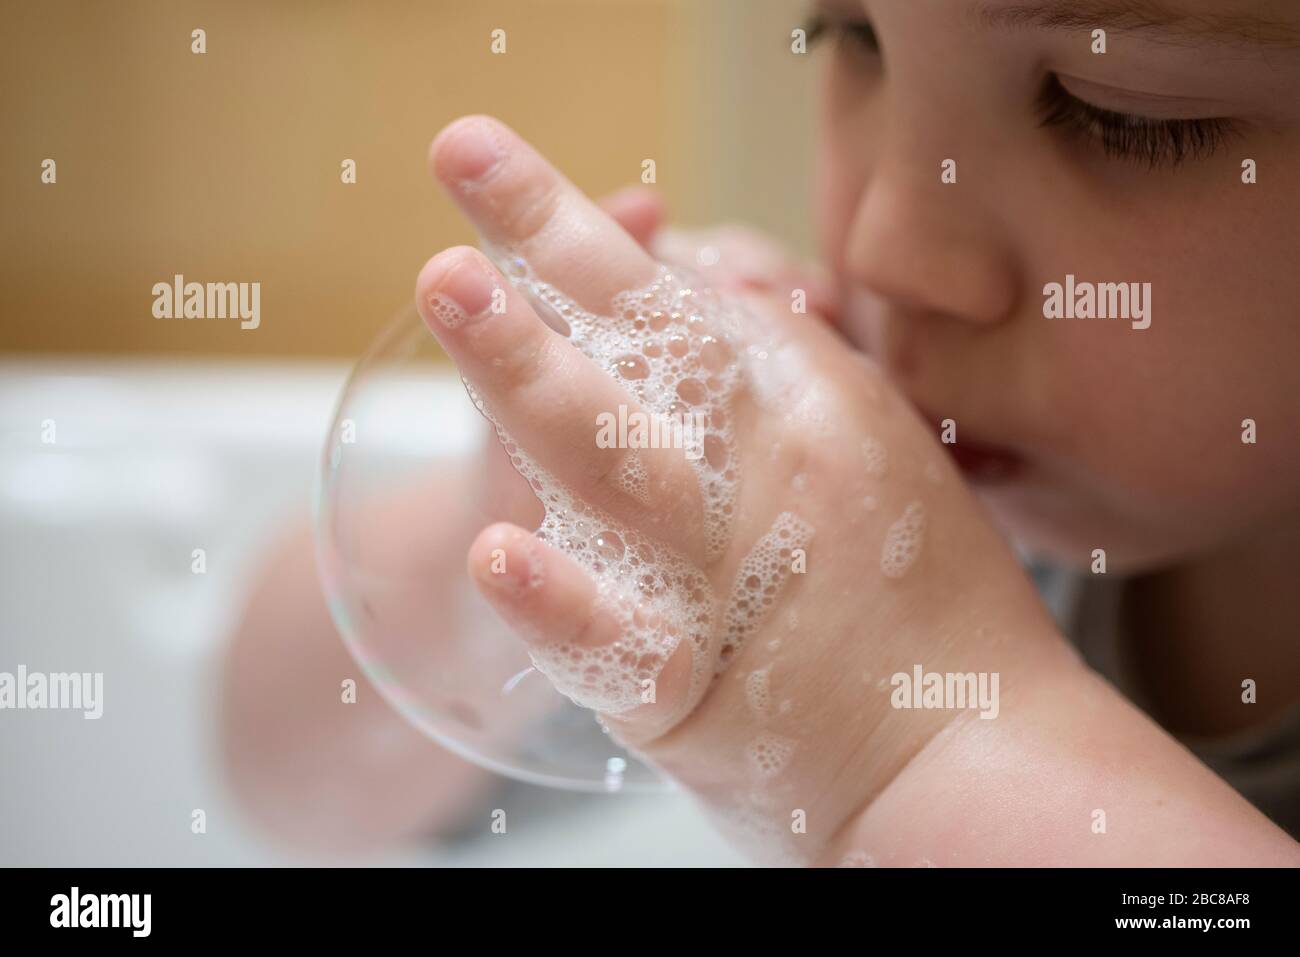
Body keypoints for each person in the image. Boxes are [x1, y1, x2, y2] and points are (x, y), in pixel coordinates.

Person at [223, 0, 1300, 864]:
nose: (886, 248)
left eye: (1124, 114)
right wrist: (496, 570)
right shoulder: (905, 491)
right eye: (856, 37)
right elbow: (284, 782)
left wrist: (914, 750)